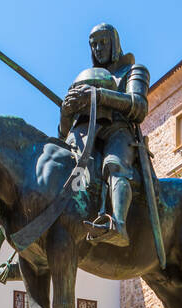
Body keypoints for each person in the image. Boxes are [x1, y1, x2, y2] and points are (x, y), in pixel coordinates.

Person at [59, 23, 150, 247]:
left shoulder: (134, 70)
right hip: (84, 133)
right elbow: (62, 133)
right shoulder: (86, 77)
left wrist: (98, 96)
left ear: (114, 43)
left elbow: (138, 106)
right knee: (57, 168)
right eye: (94, 44)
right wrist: (66, 112)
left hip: (118, 130)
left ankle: (118, 225)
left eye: (103, 42)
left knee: (114, 164)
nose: (98, 48)